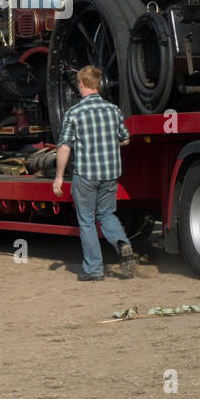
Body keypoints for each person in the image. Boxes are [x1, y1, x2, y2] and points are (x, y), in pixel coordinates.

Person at [52, 65, 136, 281]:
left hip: (86, 175)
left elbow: (64, 147)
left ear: (82, 84)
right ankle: (122, 242)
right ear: (98, 84)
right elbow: (126, 139)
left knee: (87, 221)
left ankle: (94, 270)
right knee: (107, 214)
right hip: (110, 174)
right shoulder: (113, 110)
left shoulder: (74, 113)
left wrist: (59, 176)